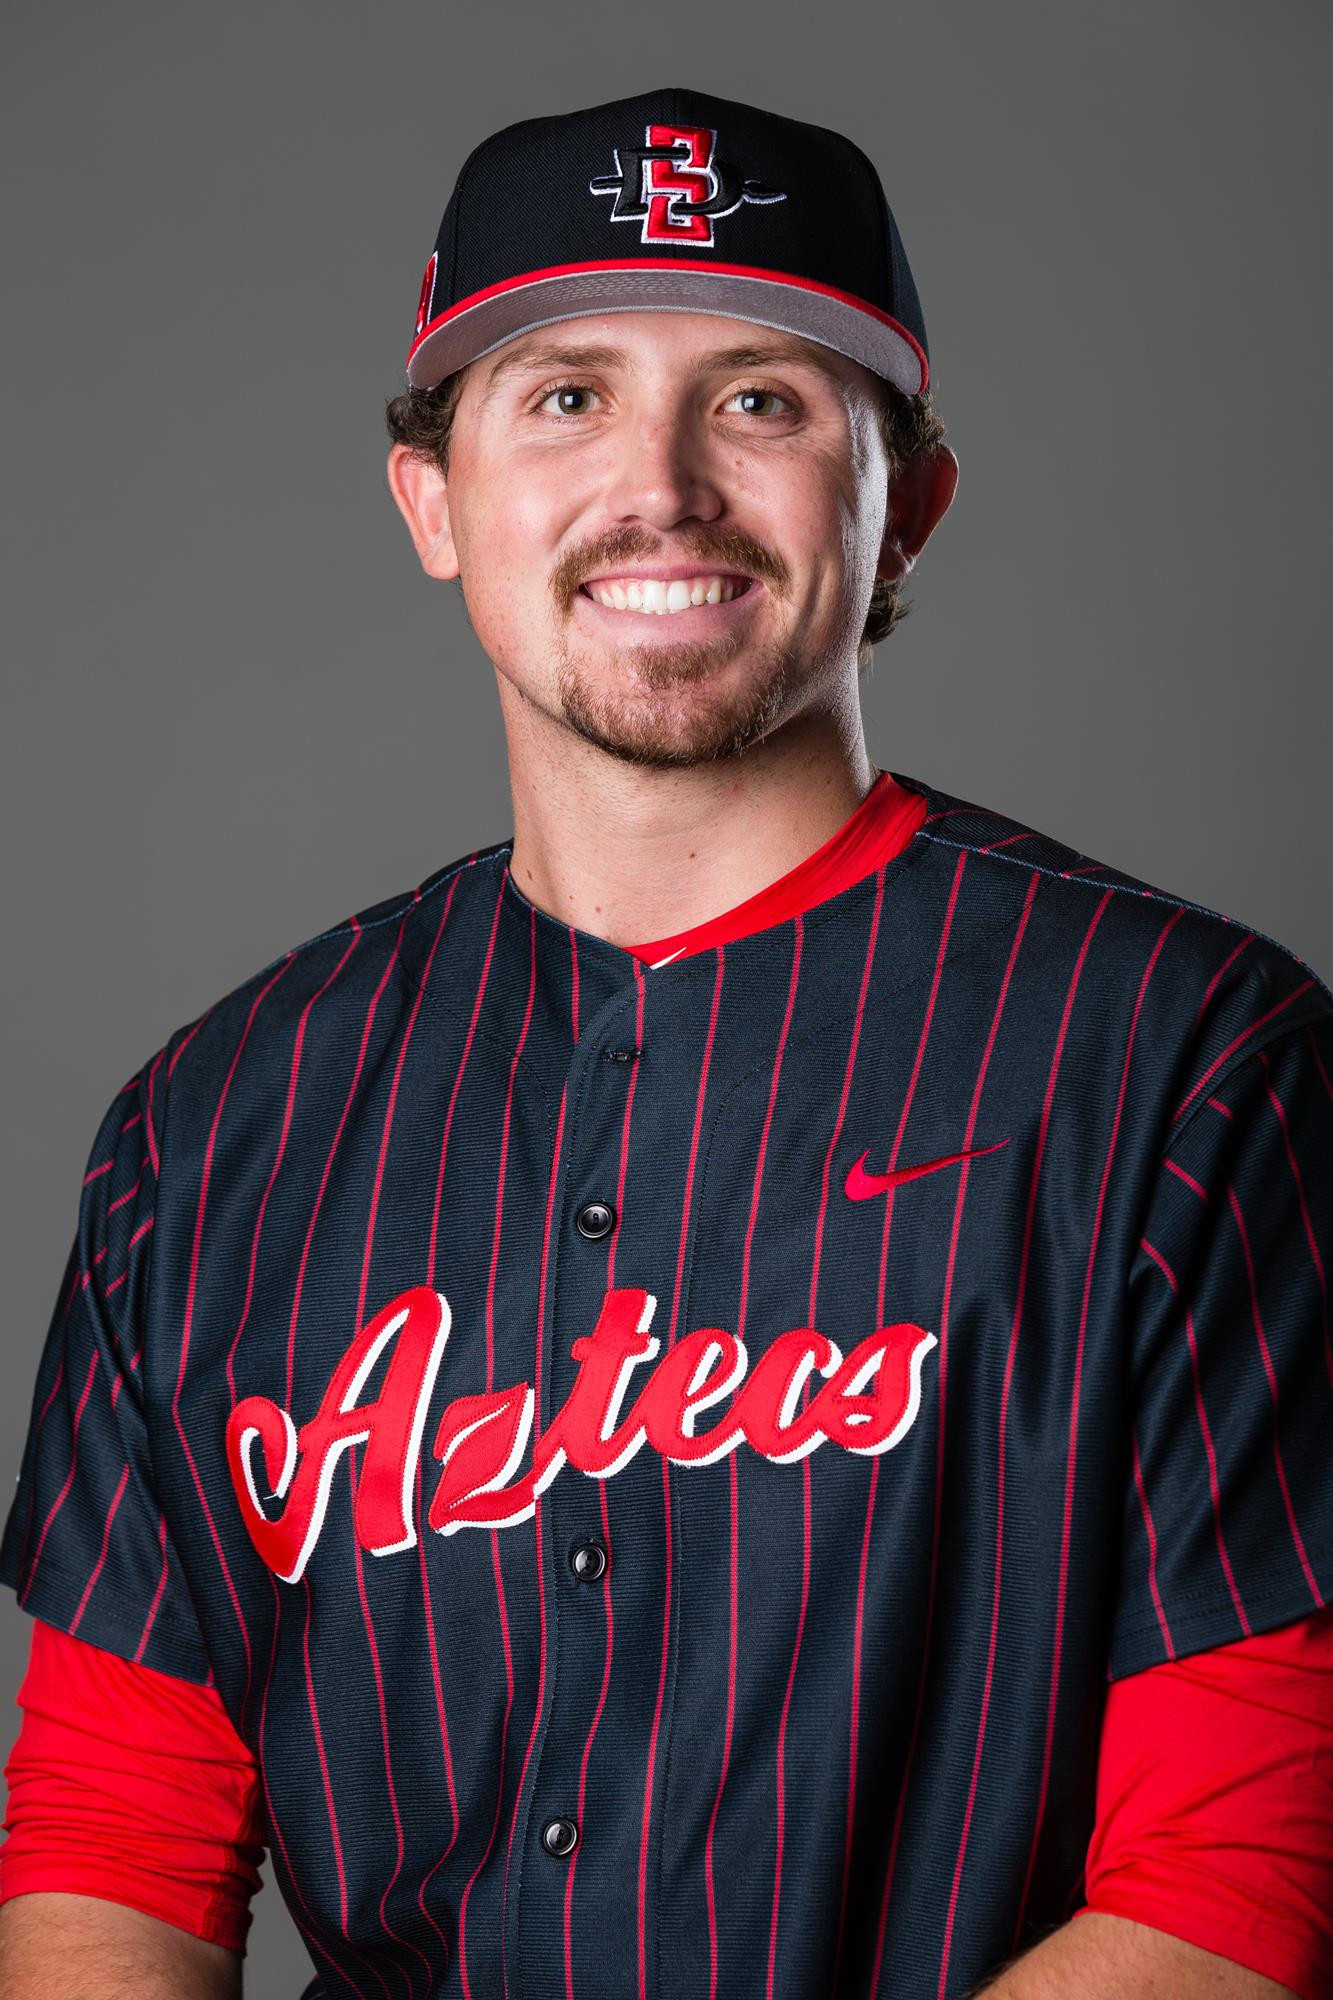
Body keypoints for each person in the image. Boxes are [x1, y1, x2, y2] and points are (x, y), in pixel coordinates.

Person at [0, 84, 1330, 2000]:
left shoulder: (1191, 1063)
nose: (666, 486)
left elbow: (1241, 1870)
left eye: (765, 399)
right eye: (563, 393)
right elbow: (116, 1835)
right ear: (432, 502)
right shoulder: (215, 1126)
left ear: (907, 503)